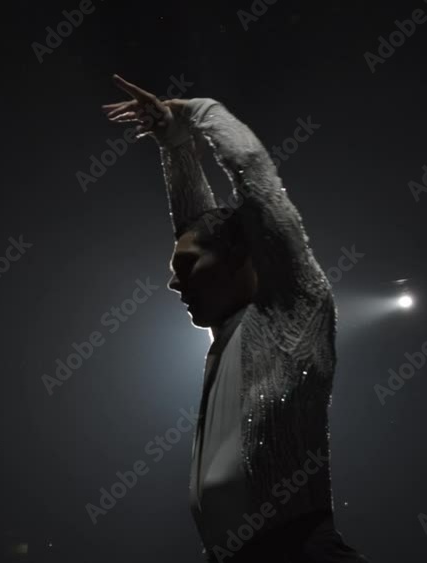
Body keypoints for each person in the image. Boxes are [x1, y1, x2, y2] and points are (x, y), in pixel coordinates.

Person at [102, 75, 370, 563]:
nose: (173, 283)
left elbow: (253, 176)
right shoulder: (227, 329)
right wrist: (176, 146)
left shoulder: (292, 310)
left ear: (240, 256)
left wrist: (199, 111)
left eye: (185, 268)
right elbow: (197, 227)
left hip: (297, 552)